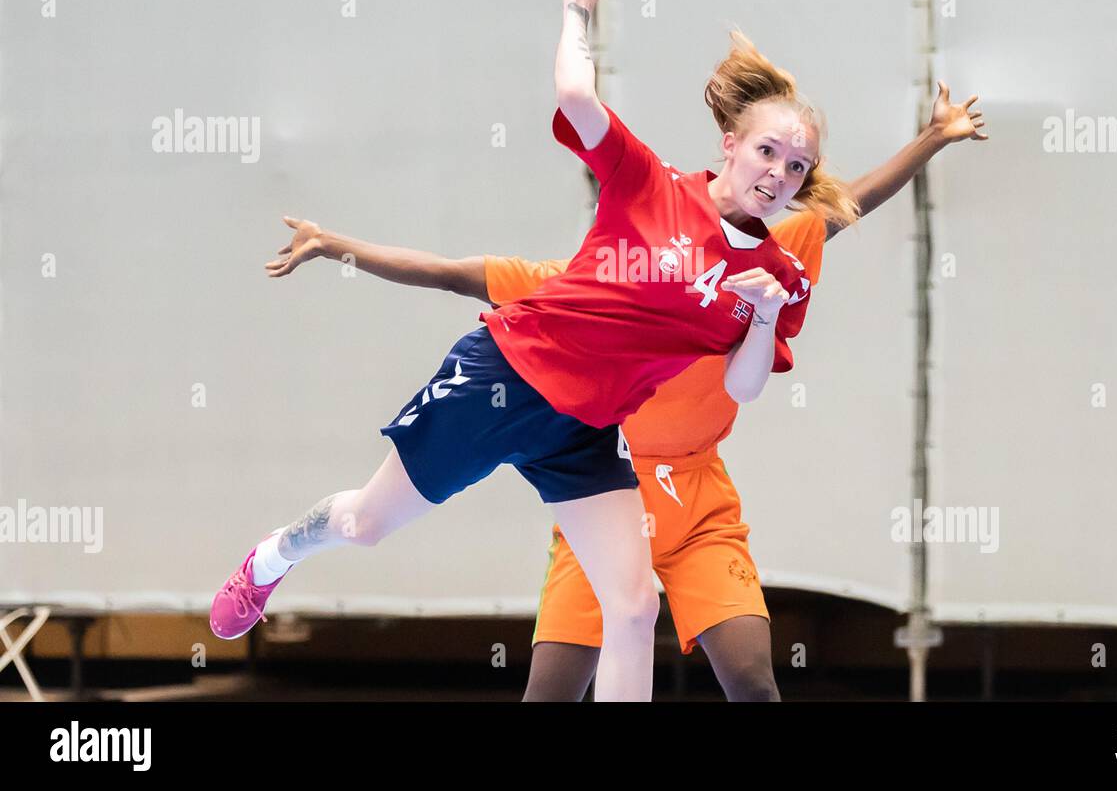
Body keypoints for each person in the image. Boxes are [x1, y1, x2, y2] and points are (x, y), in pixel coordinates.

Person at [207, 0, 860, 702]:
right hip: (505, 377)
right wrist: (577, 9)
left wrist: (767, 311)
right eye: (767, 152)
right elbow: (577, 97)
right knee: (363, 523)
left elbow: (744, 386)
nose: (778, 173)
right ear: (731, 146)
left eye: (797, 165)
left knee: (635, 603)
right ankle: (273, 557)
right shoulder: (650, 186)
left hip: (582, 430)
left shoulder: (777, 274)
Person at [258, 76, 987, 701]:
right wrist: (336, 245)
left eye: (789, 162)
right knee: (551, 688)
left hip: (697, 500)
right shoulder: (563, 292)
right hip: (609, 492)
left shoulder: (760, 259)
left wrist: (933, 139)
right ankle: (280, 554)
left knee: (755, 685)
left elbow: (847, 203)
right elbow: (448, 271)